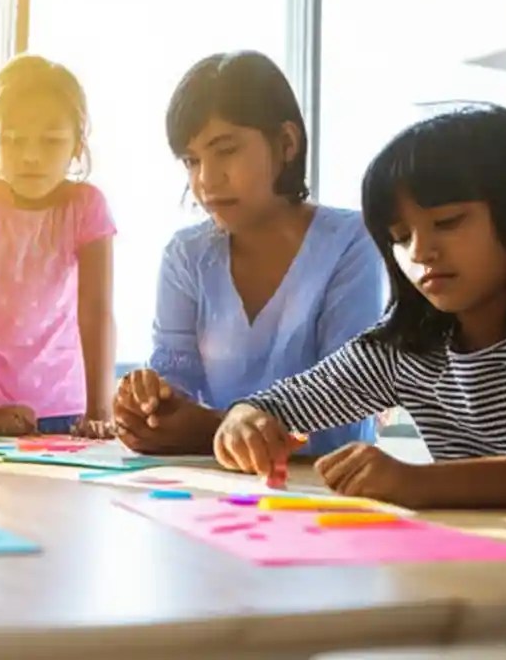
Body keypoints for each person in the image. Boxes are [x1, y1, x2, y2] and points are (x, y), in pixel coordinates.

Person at [145, 105, 506, 511]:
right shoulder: (408, 345)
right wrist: (244, 418)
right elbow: (279, 404)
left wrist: (426, 483)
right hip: (492, 574)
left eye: (449, 221)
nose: (420, 252)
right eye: (400, 236)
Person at [116, 51, 382, 455]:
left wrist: (209, 428)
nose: (206, 179)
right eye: (192, 160)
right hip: (213, 492)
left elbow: (342, 420)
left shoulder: (352, 243)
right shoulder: (185, 256)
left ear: (287, 143)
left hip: (322, 493)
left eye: (226, 150)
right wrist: (146, 407)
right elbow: (173, 402)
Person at [0, 54, 116, 436]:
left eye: (51, 140)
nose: (30, 155)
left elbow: (96, 310)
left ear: (76, 145)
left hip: (70, 409)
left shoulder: (87, 206)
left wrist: (99, 409)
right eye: (12, 140)